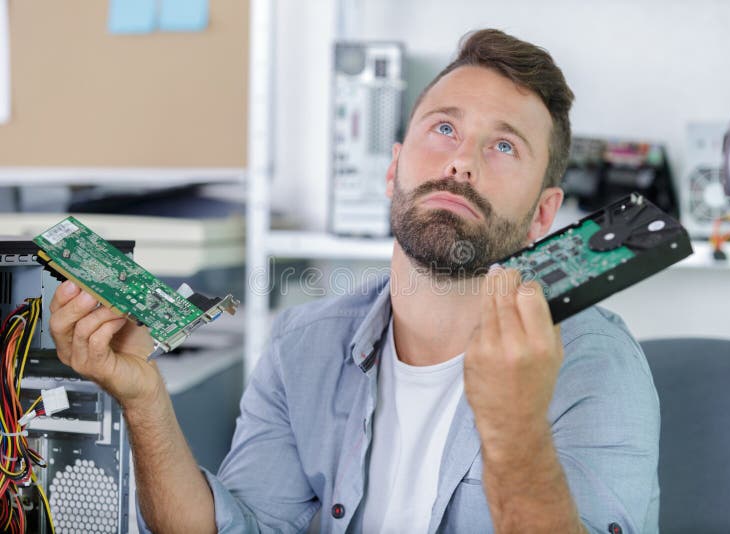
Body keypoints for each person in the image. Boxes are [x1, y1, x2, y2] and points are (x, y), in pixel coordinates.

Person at [48, 29, 660, 533]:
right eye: (444, 128)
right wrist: (143, 400)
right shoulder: (302, 346)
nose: (461, 160)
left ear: (545, 215)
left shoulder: (595, 363)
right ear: (394, 166)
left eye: (504, 145)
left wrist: (515, 426)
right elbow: (247, 526)